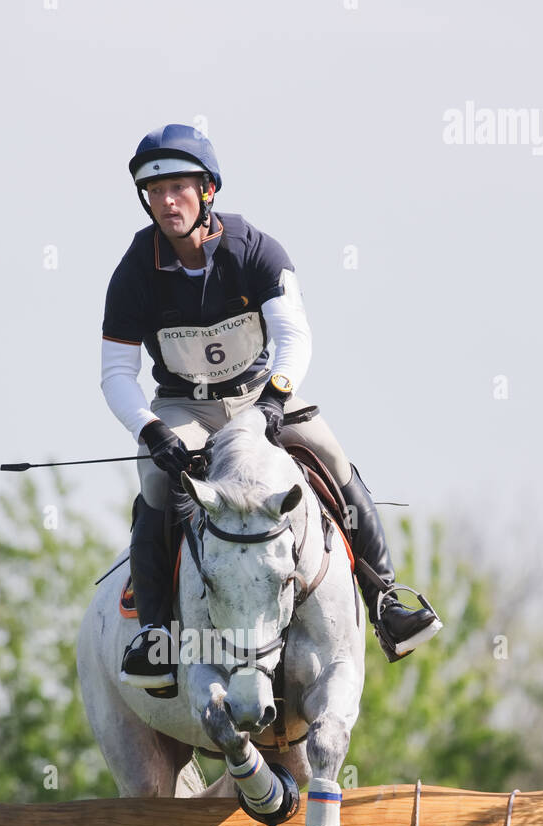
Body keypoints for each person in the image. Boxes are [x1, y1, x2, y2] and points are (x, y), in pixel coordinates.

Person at [101, 123, 442, 694]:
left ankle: (384, 599)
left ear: (207, 190)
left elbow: (295, 335)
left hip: (261, 392)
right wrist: (151, 428)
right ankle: (157, 635)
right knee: (158, 489)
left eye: (177, 187)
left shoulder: (254, 250)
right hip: (184, 403)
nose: (165, 201)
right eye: (154, 191)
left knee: (332, 457)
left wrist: (276, 399)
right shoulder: (135, 270)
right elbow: (115, 375)